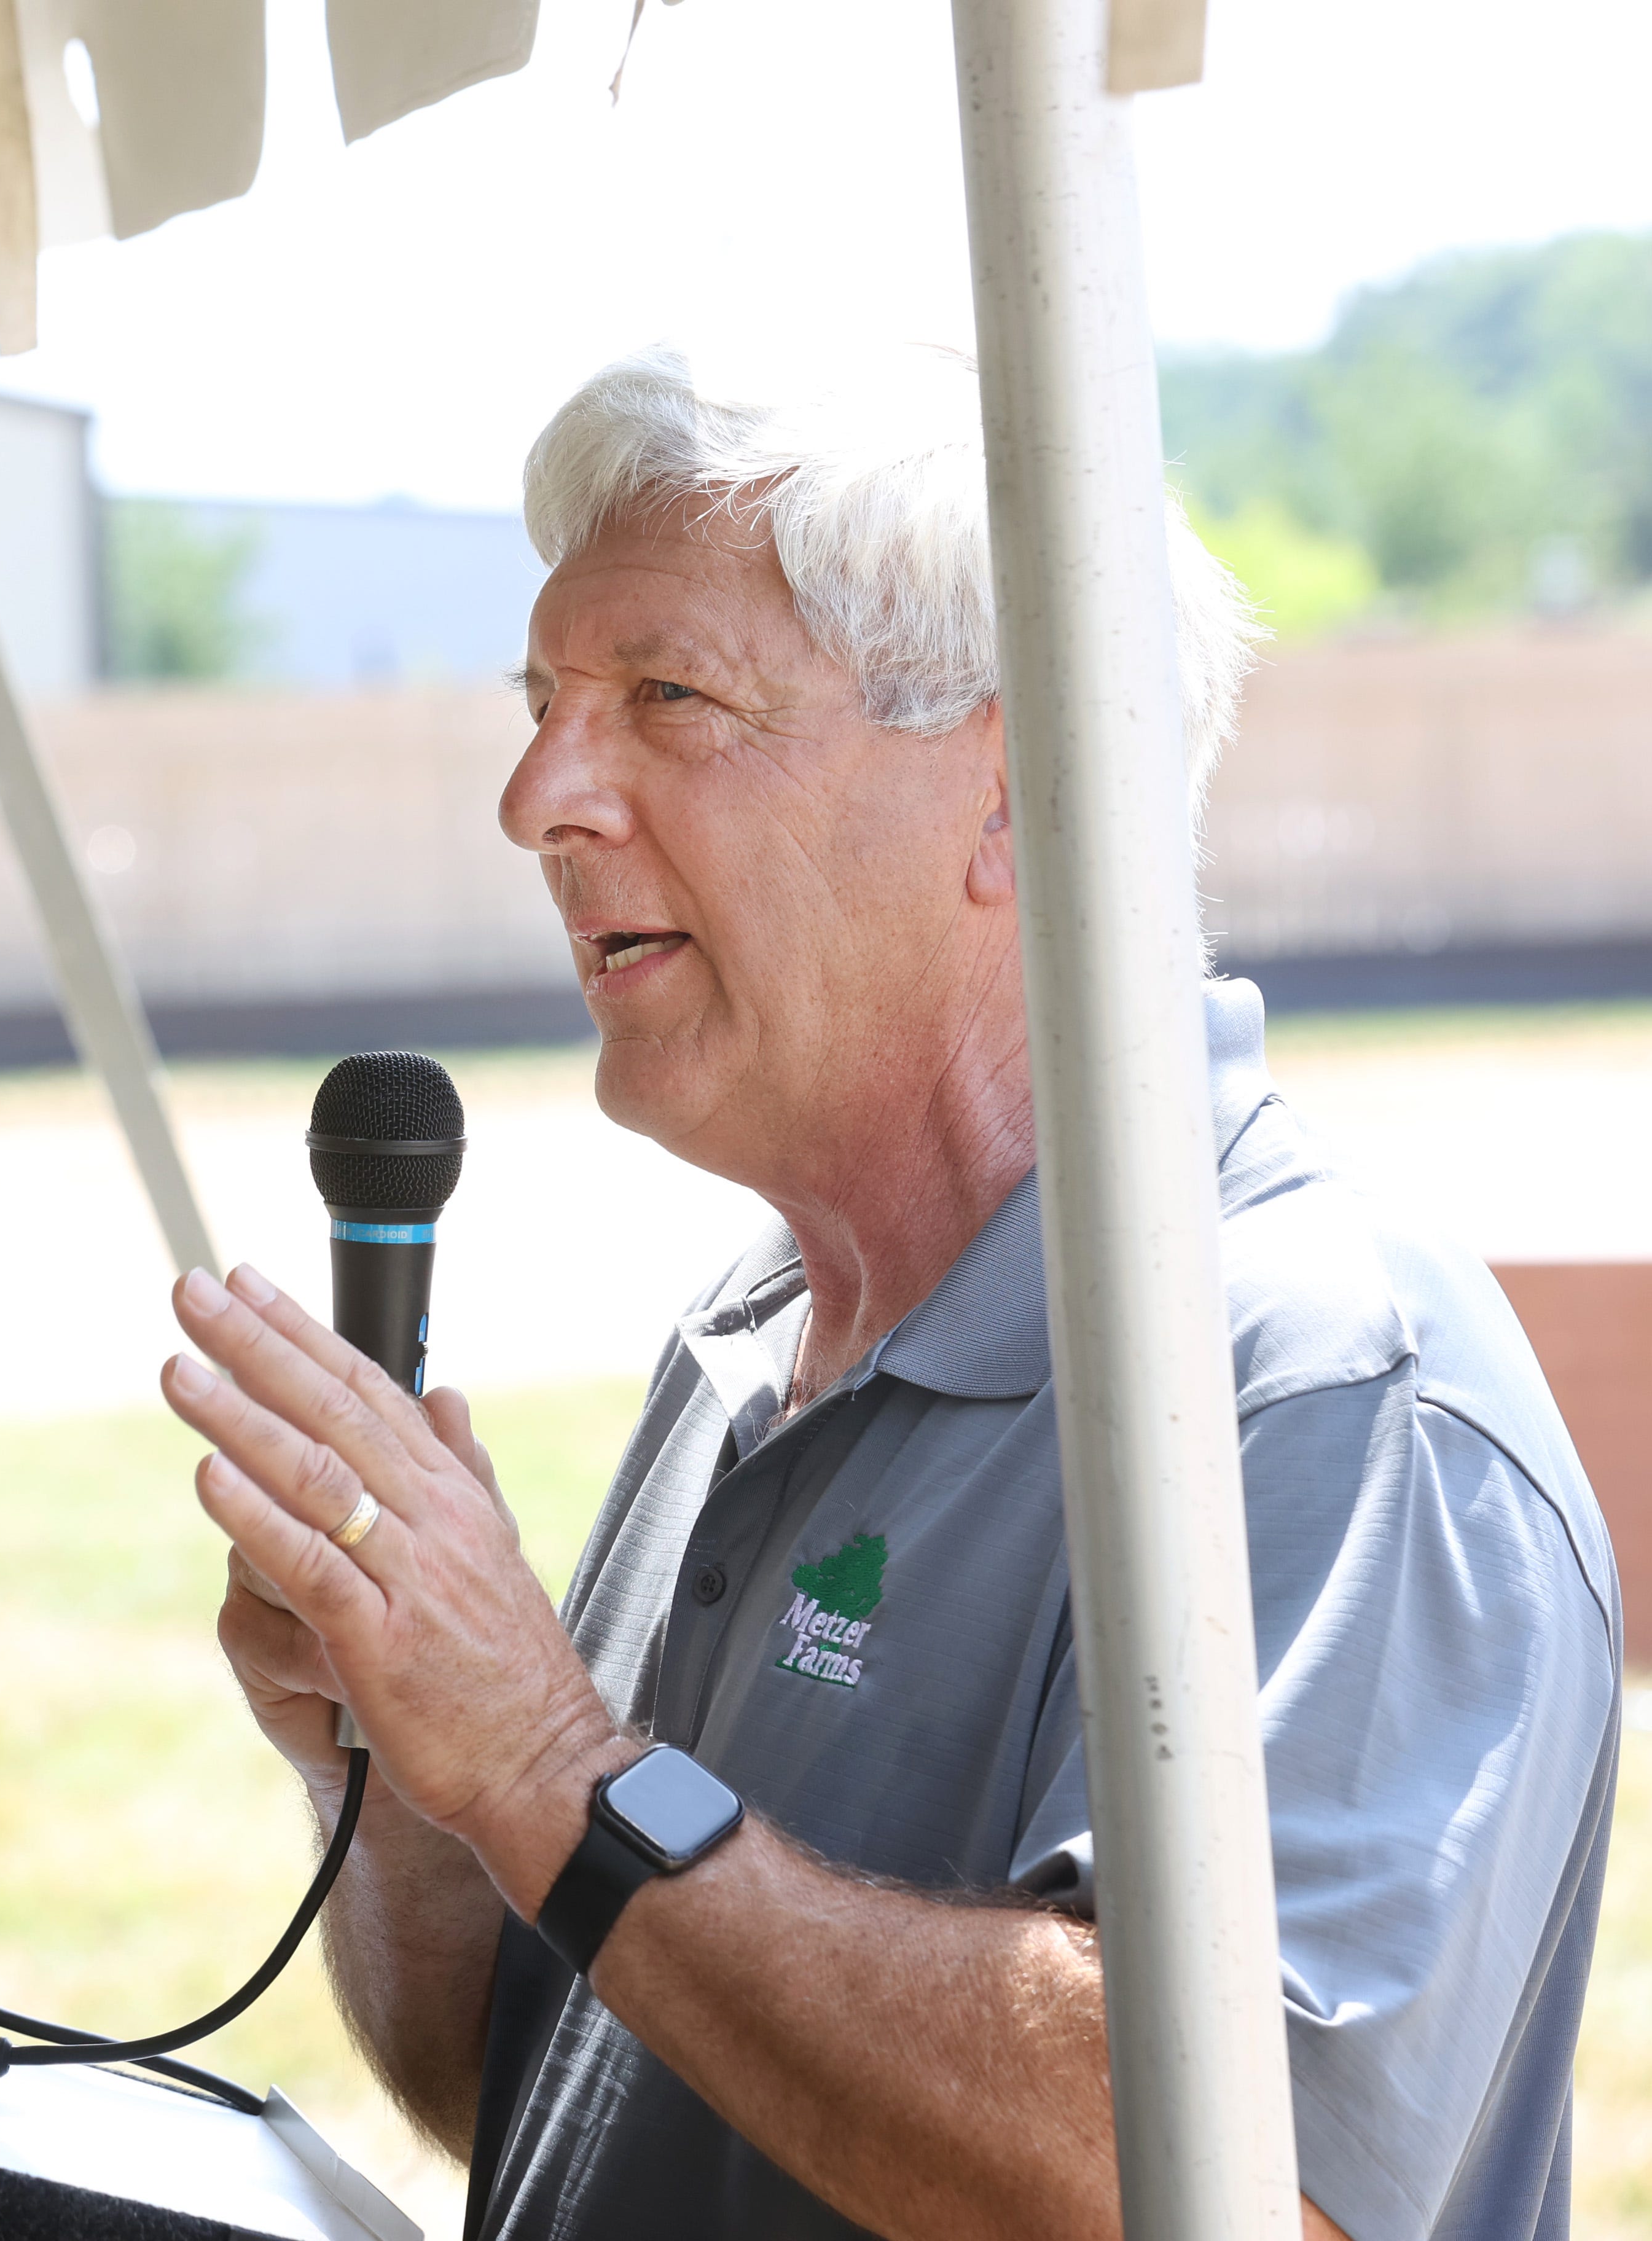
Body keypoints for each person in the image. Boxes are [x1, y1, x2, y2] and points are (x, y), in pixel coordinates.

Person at [158, 346, 1617, 2241]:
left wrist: (541, 1759)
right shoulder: (746, 1338)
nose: (536, 796)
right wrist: (410, 1771)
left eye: (666, 699)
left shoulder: (1321, 1383)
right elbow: (556, 2095)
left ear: (1020, 793)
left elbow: (1214, 2191)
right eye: (542, 707)